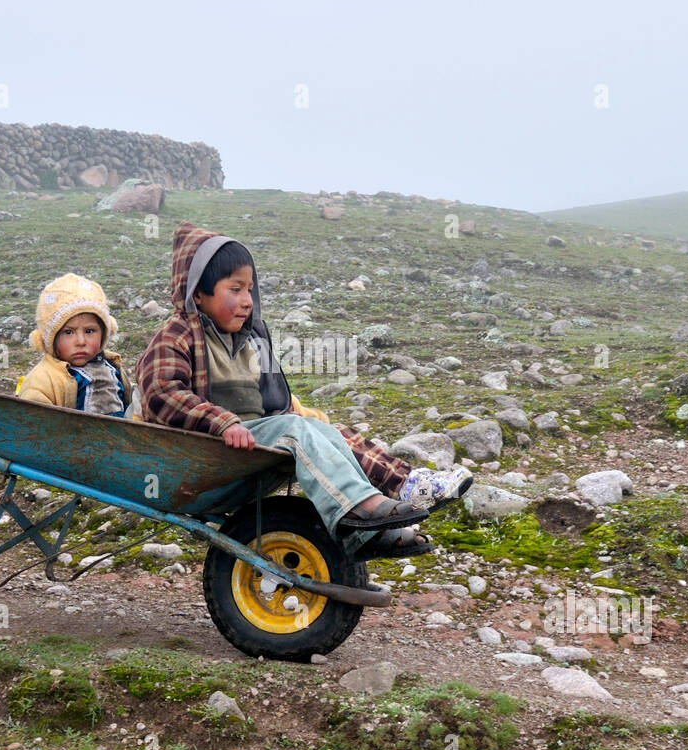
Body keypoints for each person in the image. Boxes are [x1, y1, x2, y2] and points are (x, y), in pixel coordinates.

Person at [137, 222, 470, 559]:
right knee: (296, 431)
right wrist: (221, 422)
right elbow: (161, 392)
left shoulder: (251, 338)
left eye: (250, 290)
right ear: (198, 293)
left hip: (250, 449)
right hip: (206, 452)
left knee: (331, 432)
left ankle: (402, 491)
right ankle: (360, 507)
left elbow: (275, 404)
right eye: (235, 289)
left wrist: (311, 422)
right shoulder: (179, 333)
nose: (247, 301)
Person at [17, 274, 133, 416]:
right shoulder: (42, 380)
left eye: (89, 331)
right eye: (68, 332)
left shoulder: (112, 365)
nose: (80, 341)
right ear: (51, 339)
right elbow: (32, 420)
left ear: (103, 334)